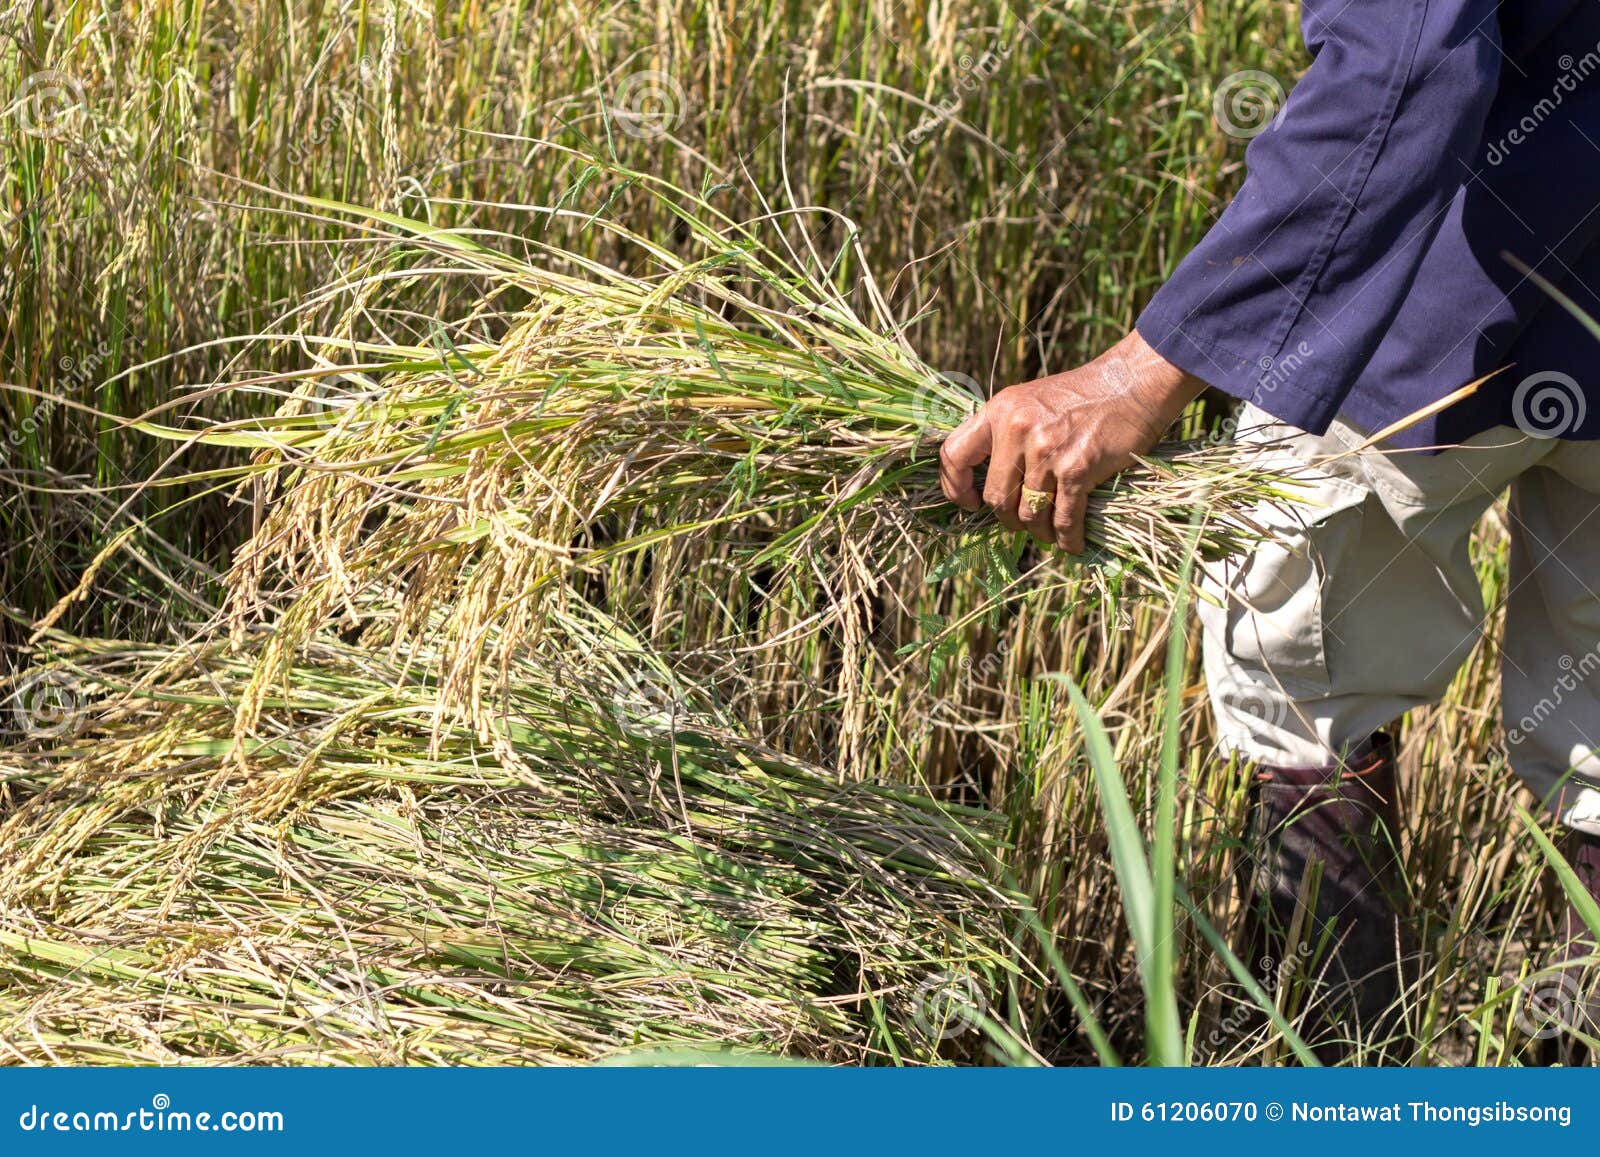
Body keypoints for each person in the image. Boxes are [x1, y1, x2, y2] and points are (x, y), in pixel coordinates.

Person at [939, 0, 1600, 1053]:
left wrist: (1134, 377)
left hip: (1431, 323)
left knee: (1303, 685)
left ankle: (1340, 1083)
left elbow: (1403, 72)